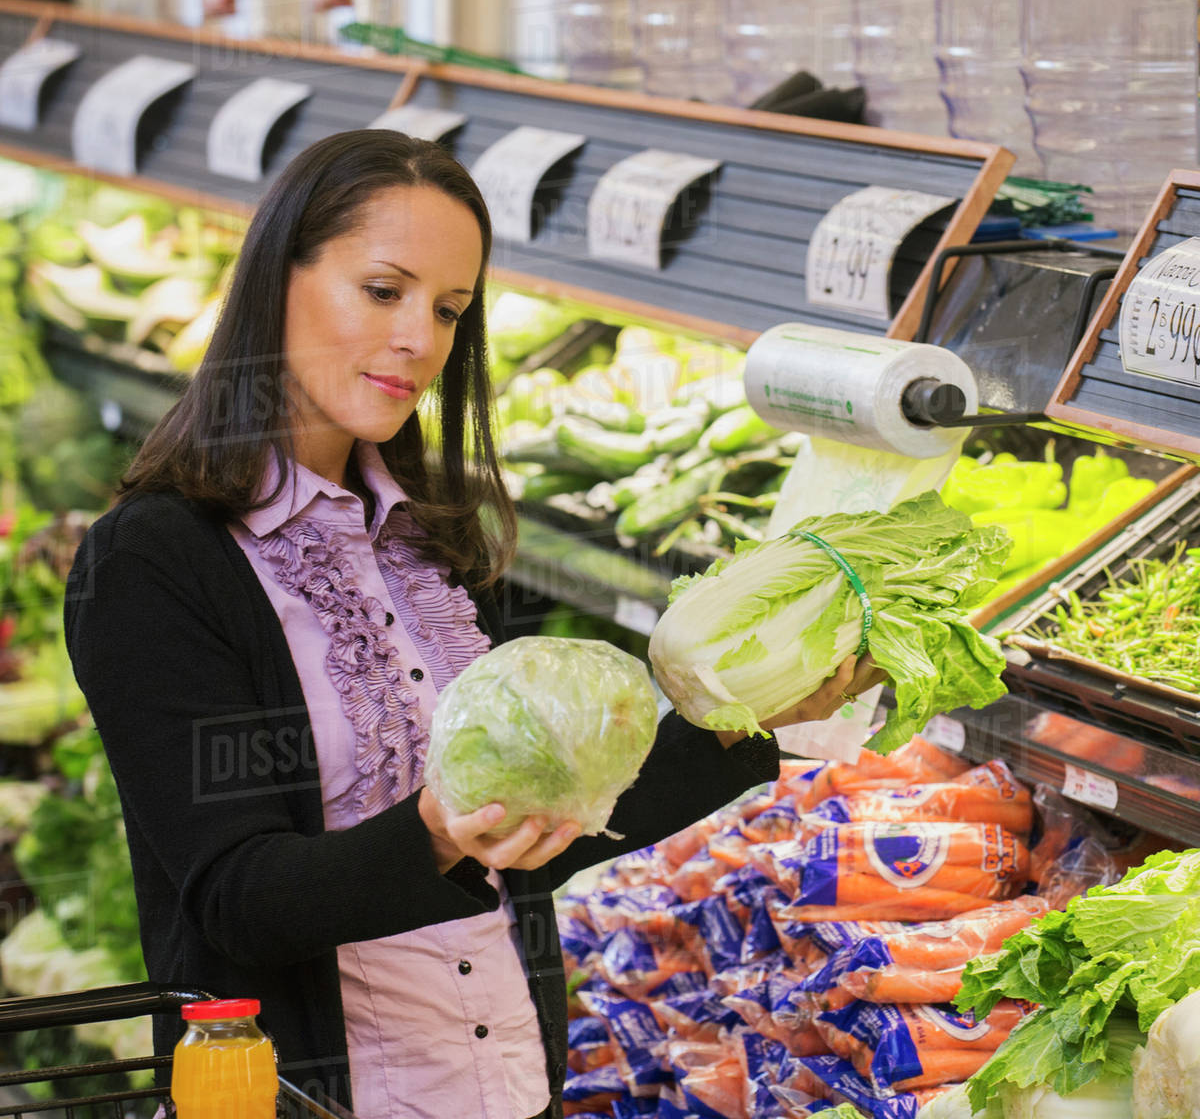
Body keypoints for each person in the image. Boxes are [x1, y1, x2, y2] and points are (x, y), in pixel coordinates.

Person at [64, 129, 879, 1119]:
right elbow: (238, 899)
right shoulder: (158, 559)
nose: (421, 338)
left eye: (449, 310)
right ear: (281, 277)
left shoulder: (434, 539)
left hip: (506, 1089)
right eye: (383, 291)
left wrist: (749, 722)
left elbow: (543, 832)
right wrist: (439, 832)